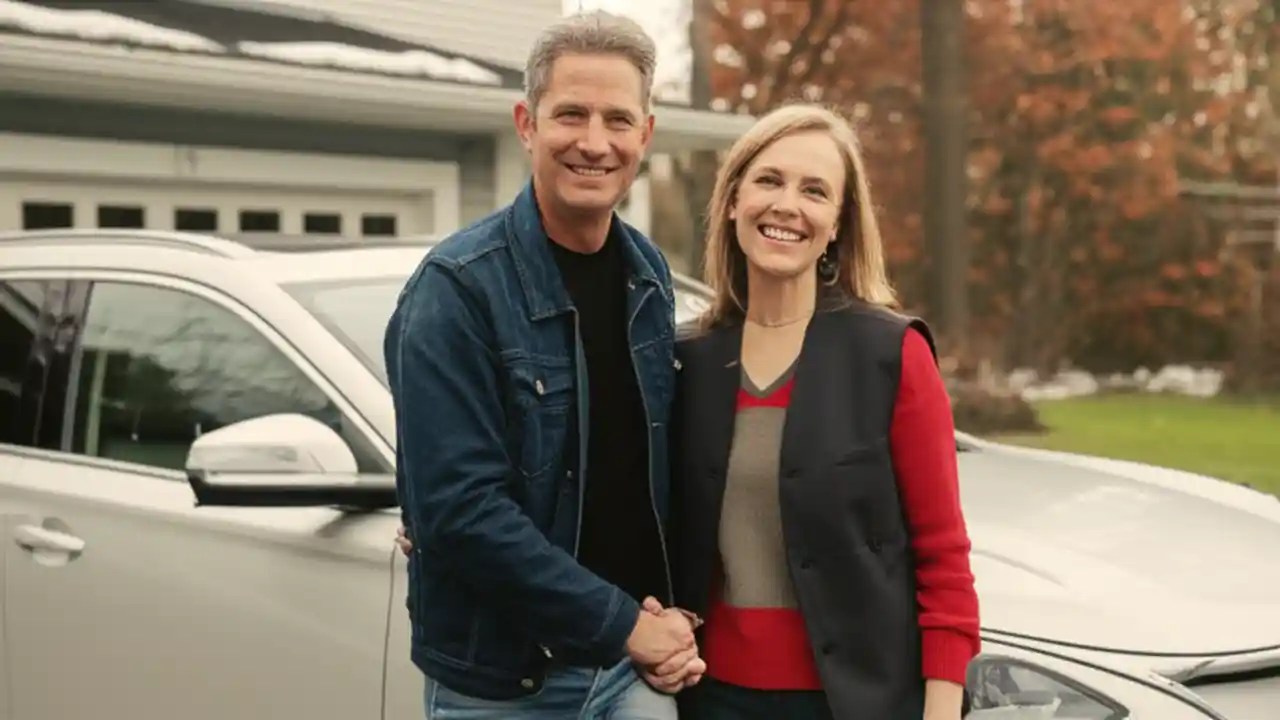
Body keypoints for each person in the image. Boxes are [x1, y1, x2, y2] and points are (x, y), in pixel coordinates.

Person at [384, 10, 704, 719]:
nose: (595, 143)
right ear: (527, 123)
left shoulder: (646, 274)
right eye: (571, 115)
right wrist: (628, 623)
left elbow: (647, 472)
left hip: (630, 672)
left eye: (618, 120)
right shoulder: (457, 289)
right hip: (505, 682)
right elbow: (462, 511)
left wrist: (663, 622)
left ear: (645, 135)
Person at [658, 104, 981, 720]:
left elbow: (944, 559)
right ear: (732, 202)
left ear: (836, 224)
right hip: (710, 701)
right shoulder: (683, 362)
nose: (787, 205)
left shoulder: (891, 355)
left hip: (855, 703)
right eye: (769, 181)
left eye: (814, 191)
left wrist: (941, 711)